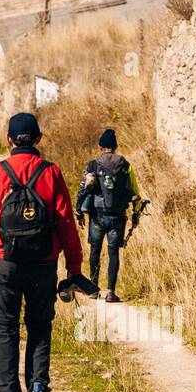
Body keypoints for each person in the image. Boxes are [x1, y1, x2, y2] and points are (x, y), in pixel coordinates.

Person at [0, 112, 83, 392]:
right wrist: (73, 266)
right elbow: (65, 222)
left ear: (8, 140)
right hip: (43, 262)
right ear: (38, 139)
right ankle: (37, 388)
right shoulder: (52, 173)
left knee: (3, 327)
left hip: (4, 261)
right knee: (39, 323)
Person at [75, 128, 145, 303]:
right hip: (117, 217)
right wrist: (136, 216)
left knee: (95, 250)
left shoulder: (93, 165)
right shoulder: (125, 165)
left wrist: (79, 212)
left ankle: (92, 289)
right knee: (113, 254)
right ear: (115, 147)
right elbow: (134, 191)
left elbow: (83, 189)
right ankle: (111, 292)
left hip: (97, 217)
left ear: (100, 147)